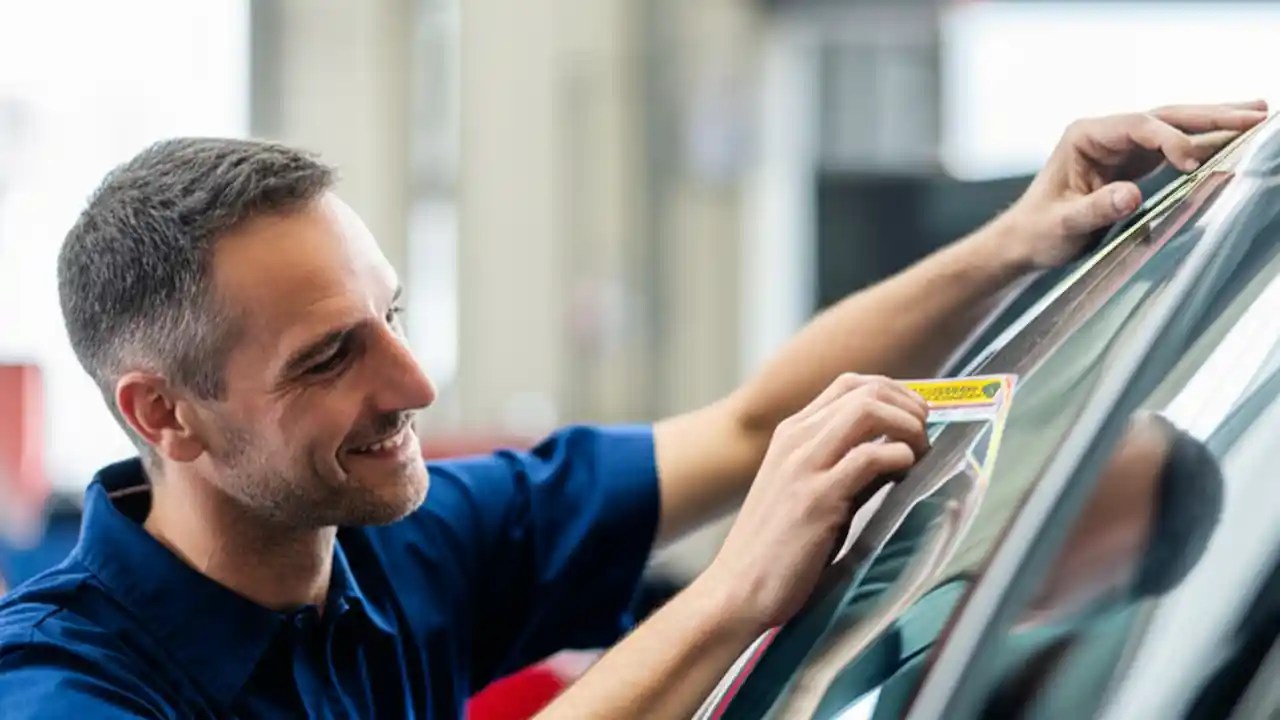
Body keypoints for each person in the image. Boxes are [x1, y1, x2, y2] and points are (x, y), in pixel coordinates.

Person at [0, 101, 1265, 719]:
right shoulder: (62, 690)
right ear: (164, 415)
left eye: (393, 315)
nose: (414, 387)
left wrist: (1011, 241)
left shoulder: (400, 548)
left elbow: (746, 425)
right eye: (332, 357)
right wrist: (728, 602)